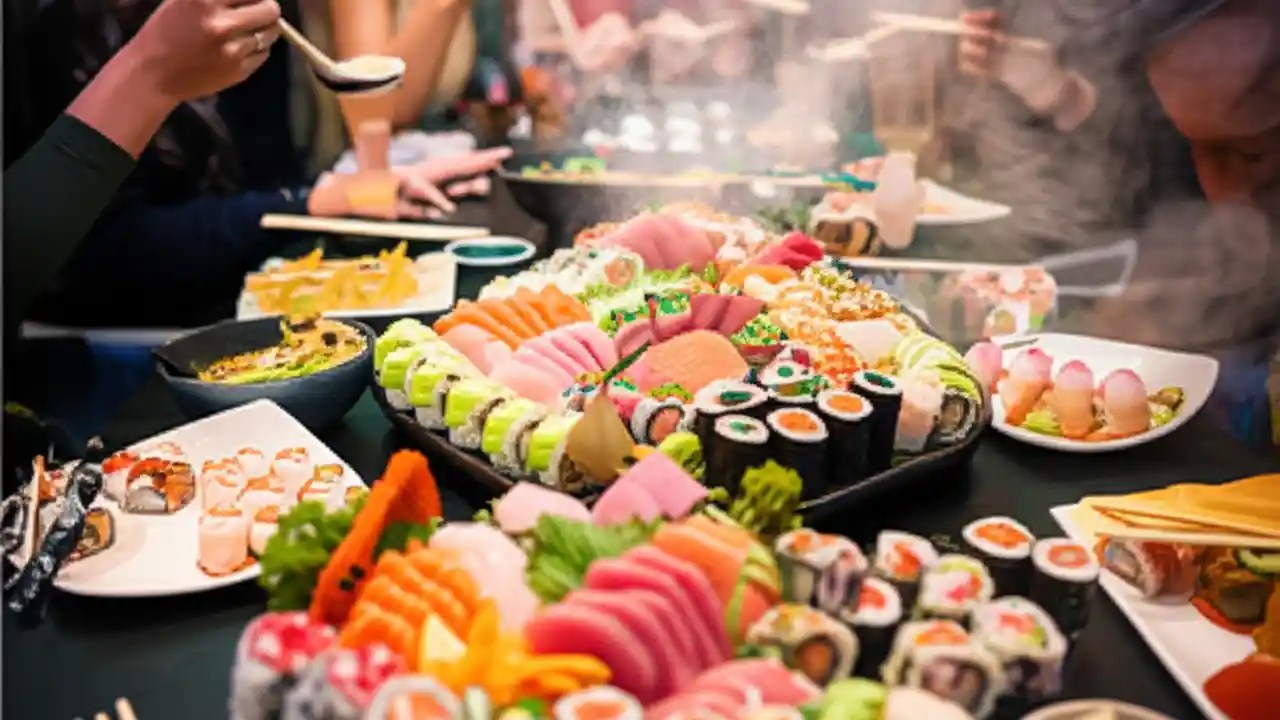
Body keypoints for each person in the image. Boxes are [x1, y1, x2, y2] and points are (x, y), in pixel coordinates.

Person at [6, 0, 507, 329]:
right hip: (116, 340)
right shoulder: (53, 25)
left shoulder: (240, 20)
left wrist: (349, 192)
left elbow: (263, 175)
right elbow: (102, 256)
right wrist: (309, 200)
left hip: (241, 291)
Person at [3, 0, 283, 330]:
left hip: (226, 290)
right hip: (93, 324)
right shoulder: (46, 26)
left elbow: (268, 165)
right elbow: (94, 256)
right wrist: (151, 73)